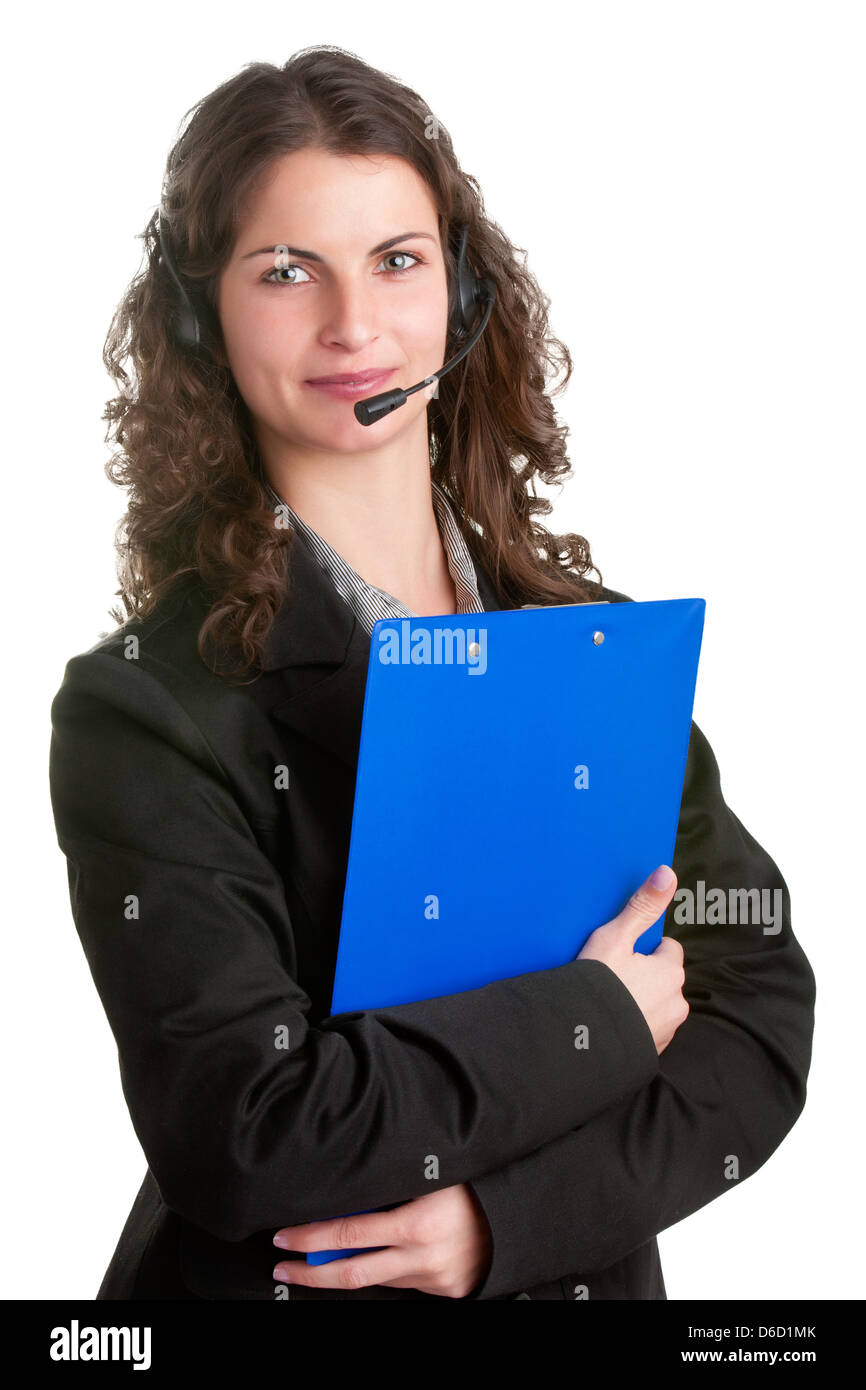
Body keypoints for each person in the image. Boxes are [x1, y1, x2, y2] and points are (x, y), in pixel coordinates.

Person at [48, 47, 816, 1301]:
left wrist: (504, 1223)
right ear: (202, 318)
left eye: (396, 261)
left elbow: (757, 989)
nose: (353, 326)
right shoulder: (146, 711)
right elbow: (246, 1133)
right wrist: (600, 1016)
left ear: (458, 297)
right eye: (287, 271)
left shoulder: (586, 646)